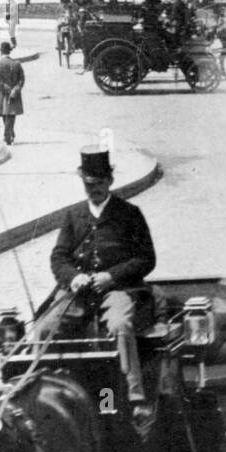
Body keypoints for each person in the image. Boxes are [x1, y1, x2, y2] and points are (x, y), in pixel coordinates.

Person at [51, 147, 158, 436]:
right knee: (46, 328)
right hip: (78, 294)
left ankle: (136, 398)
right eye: (88, 184)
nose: (94, 189)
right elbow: (58, 257)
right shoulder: (73, 216)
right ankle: (45, 392)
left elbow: (146, 259)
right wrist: (73, 278)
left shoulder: (129, 214)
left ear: (110, 181)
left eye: (99, 184)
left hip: (119, 290)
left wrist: (111, 277)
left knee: (121, 325)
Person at [0, 40, 25, 145]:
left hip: (3, 93)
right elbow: (22, 79)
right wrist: (15, 90)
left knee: (4, 112)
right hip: (14, 93)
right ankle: (9, 132)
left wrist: (7, 89)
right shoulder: (16, 64)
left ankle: (8, 134)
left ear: (1, 52)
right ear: (9, 51)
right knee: (11, 113)